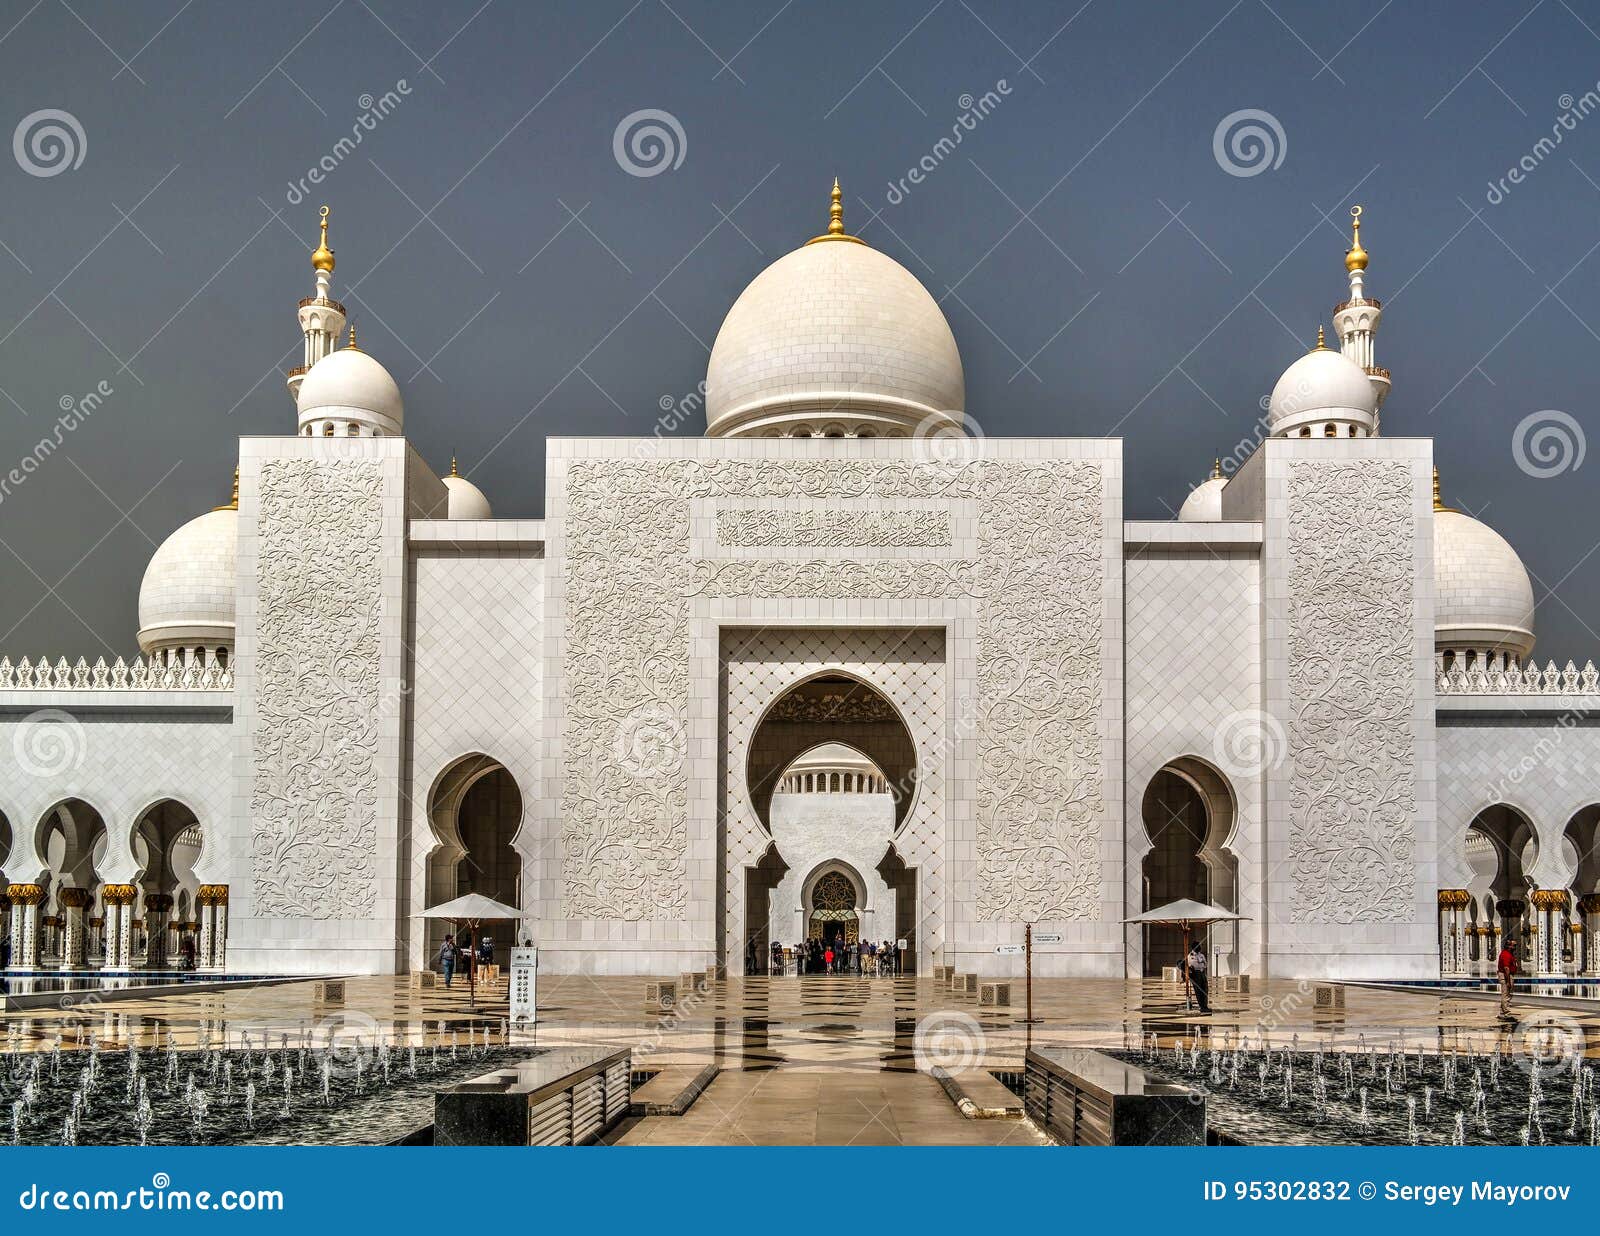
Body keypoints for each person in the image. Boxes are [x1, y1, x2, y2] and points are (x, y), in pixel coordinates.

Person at [1186, 941, 1210, 1013]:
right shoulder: (1191, 955)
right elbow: (1195, 965)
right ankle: (1201, 1006)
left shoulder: (1201, 955)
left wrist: (1201, 964)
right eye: (1198, 946)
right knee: (1198, 991)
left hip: (1202, 973)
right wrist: (1201, 964)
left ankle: (1205, 1006)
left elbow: (1205, 964)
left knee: (1205, 990)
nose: (1200, 947)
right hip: (1195, 974)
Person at [1497, 938, 1518, 1017]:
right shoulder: (1506, 954)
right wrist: (1508, 981)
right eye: (1514, 946)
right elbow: (1506, 968)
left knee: (1507, 994)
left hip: (1508, 975)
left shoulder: (1509, 954)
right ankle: (1506, 1012)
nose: (1515, 947)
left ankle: (1503, 1011)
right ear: (1509, 946)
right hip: (1506, 975)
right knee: (1506, 994)